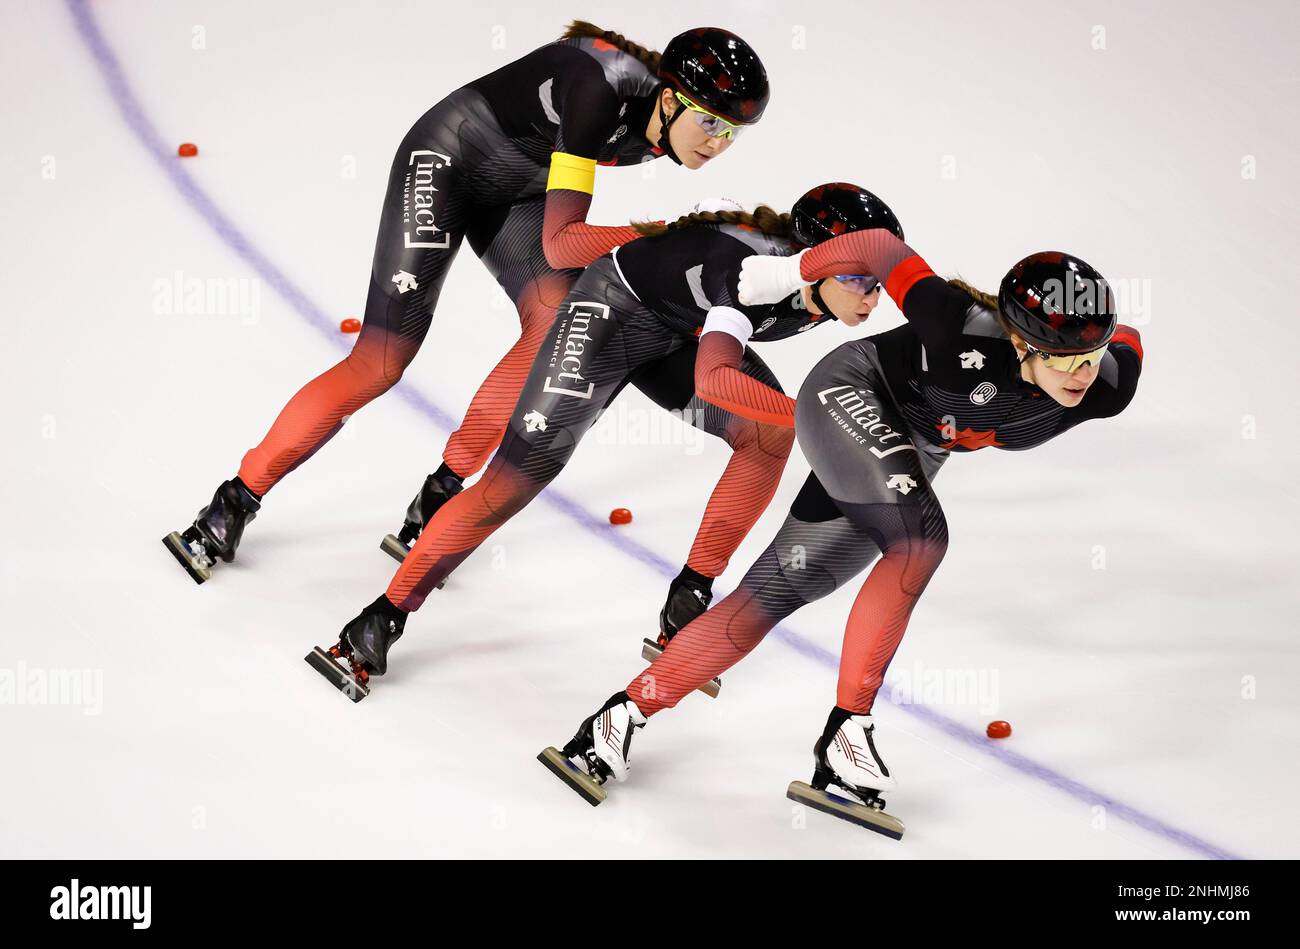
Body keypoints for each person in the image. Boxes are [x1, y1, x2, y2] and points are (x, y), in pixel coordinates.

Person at [542, 238, 1144, 838]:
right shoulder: (954, 323)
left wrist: (1095, 342)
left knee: (781, 587)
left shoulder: (1109, 386)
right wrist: (785, 273)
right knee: (920, 542)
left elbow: (1130, 345)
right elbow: (881, 247)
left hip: (912, 443)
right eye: (1065, 360)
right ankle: (846, 733)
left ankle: (615, 719)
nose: (1083, 375)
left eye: (1091, 355)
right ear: (1019, 340)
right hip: (850, 393)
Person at [162, 21, 768, 589]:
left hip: (518, 191)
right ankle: (234, 500)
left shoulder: (663, 124)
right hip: (446, 162)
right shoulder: (599, 94)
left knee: (556, 325)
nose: (718, 144)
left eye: (732, 133)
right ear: (667, 100)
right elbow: (561, 242)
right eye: (709, 123)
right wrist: (655, 238)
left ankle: (442, 491)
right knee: (381, 361)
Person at [304, 184, 906, 701]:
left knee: (767, 433)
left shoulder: (816, 290)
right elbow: (714, 380)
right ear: (817, 262)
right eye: (860, 281)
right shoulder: (756, 274)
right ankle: (378, 619)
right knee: (515, 481)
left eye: (877, 285)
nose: (871, 300)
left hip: (675, 330)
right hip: (606, 320)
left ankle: (689, 597)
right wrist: (812, 414)